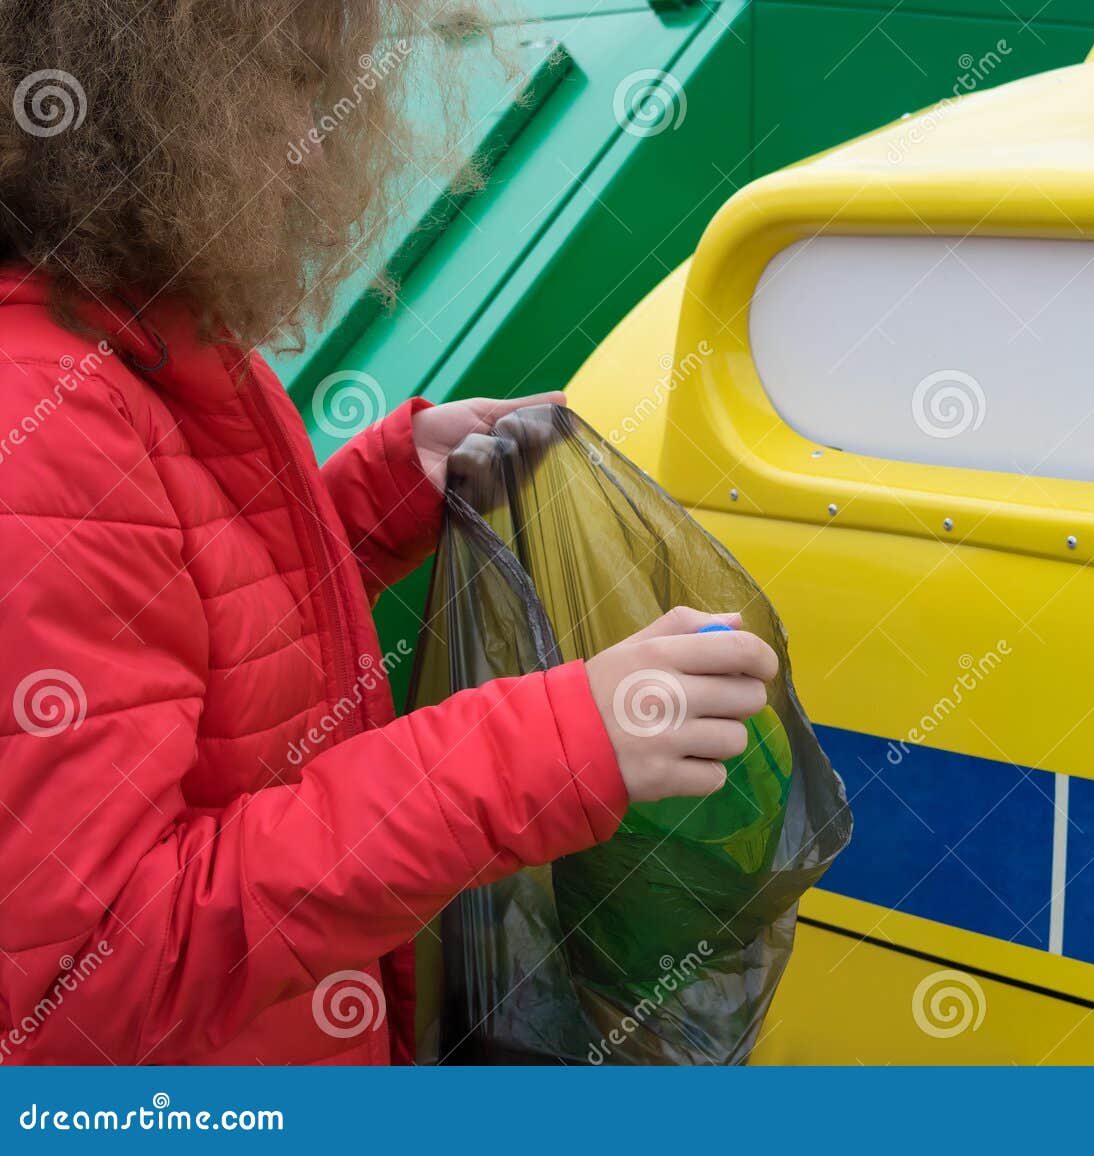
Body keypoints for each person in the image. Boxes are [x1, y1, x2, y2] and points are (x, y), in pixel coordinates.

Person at [0, 2, 776, 1064]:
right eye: (285, 88)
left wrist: (373, 505)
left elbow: (179, 639)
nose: (321, 143)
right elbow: (85, 988)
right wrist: (546, 747)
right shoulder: (43, 425)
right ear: (144, 108)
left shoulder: (128, 323)